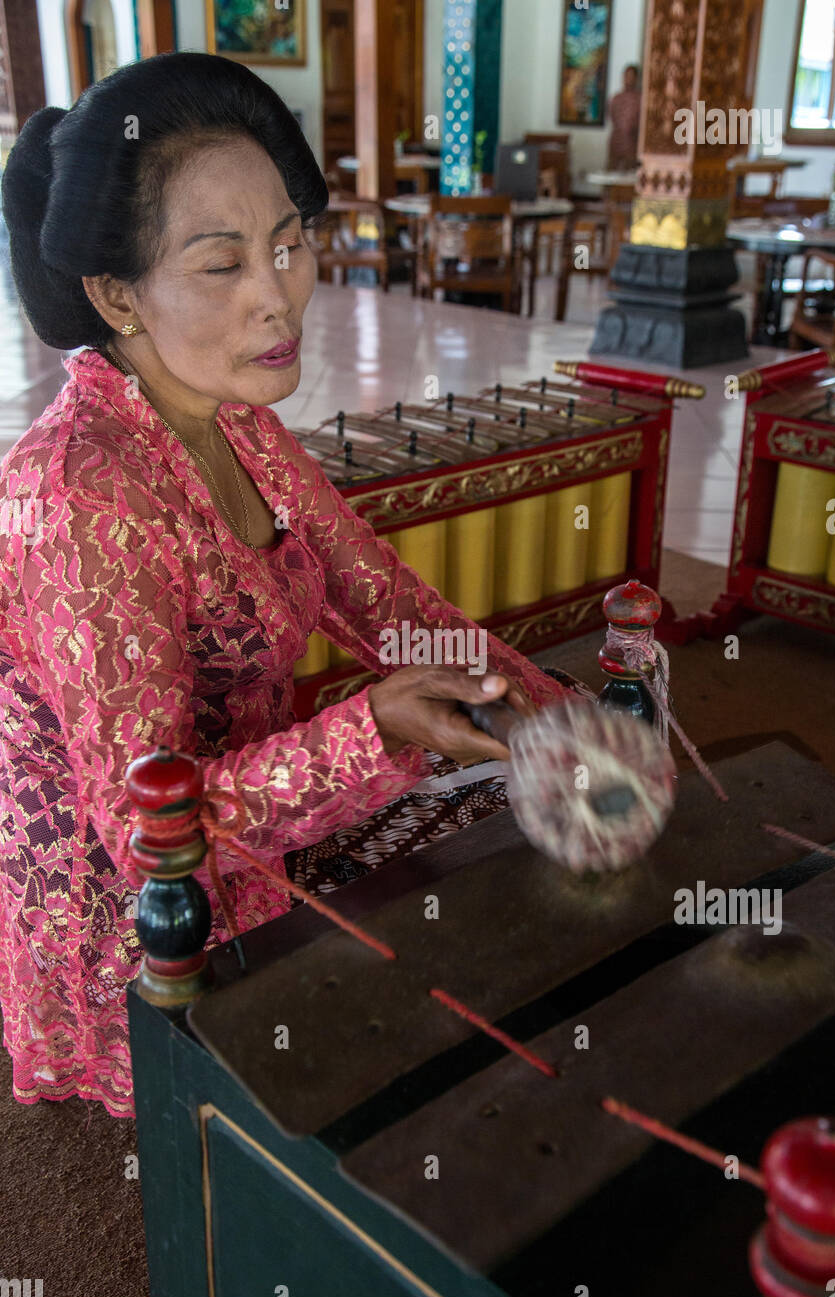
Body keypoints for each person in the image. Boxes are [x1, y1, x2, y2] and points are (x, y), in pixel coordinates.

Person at [0, 53, 590, 1117]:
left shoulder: (243, 425)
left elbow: (390, 608)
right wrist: (373, 731)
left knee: (500, 875)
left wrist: (559, 723)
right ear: (115, 295)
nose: (279, 297)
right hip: (136, 923)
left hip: (252, 827)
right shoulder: (80, 498)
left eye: (288, 243)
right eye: (222, 265)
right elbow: (151, 838)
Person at [606, 64, 641, 172]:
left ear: (636, 79)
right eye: (626, 76)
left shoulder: (640, 98)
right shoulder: (616, 98)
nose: (628, 80)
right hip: (616, 143)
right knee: (611, 175)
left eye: (631, 77)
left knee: (628, 178)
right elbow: (611, 117)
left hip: (632, 145)